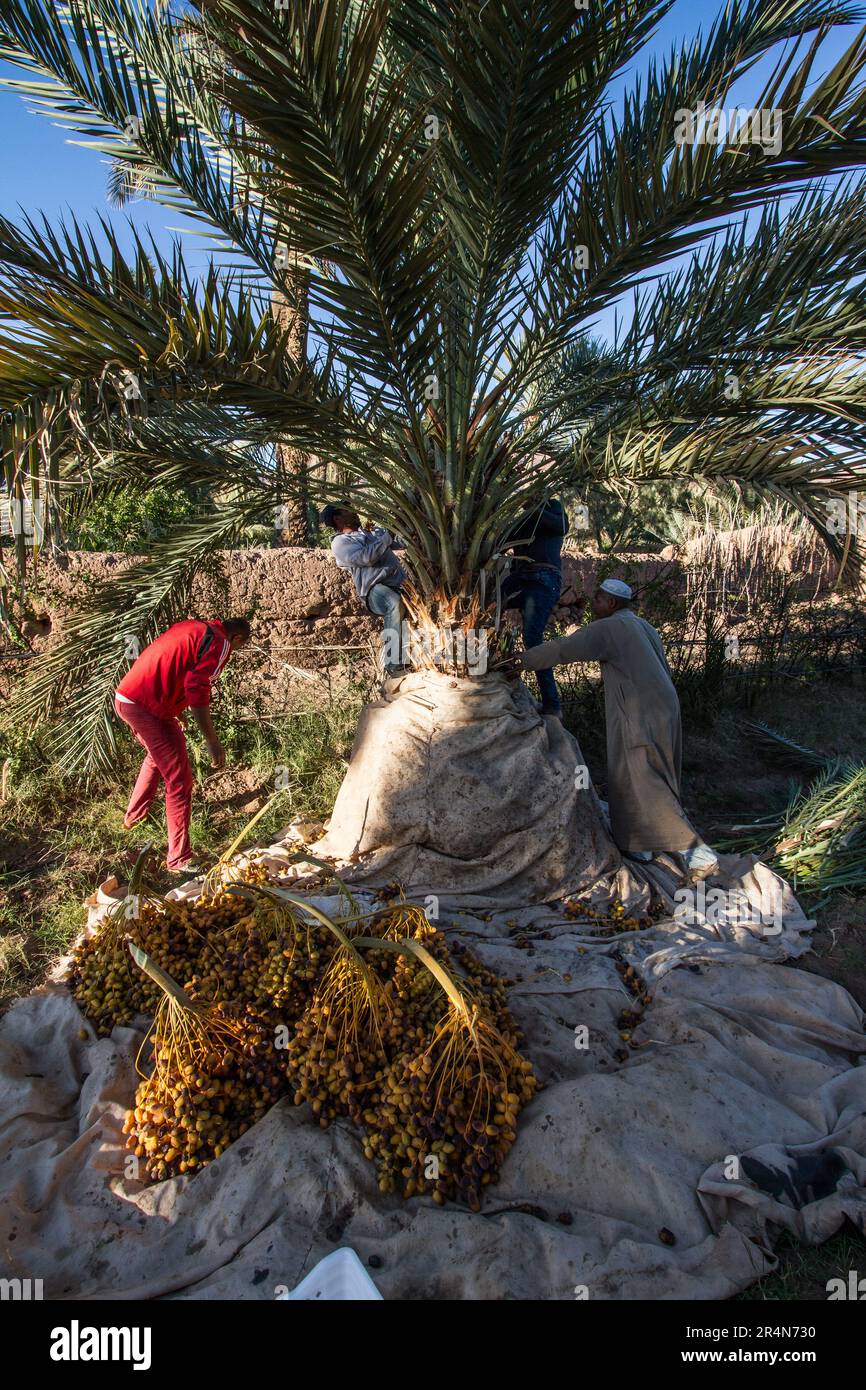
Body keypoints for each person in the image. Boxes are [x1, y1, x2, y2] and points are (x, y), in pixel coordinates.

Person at [518, 578, 718, 878]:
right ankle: (641, 845)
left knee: (645, 777)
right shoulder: (642, 626)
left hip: (640, 713)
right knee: (637, 773)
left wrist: (519, 661)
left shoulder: (610, 627)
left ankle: (697, 853)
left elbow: (563, 649)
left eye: (597, 599)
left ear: (610, 603)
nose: (592, 605)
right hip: (663, 708)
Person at [114, 616, 251, 874]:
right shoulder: (220, 643)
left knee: (159, 755)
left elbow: (171, 666)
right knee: (179, 780)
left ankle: (134, 817)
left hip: (129, 696)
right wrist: (212, 741)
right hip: (144, 706)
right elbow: (197, 689)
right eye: (238, 648)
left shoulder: (194, 627)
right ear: (238, 639)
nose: (233, 652)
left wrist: (175, 710)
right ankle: (179, 858)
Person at [321, 503, 406, 674]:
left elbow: (399, 543)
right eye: (347, 510)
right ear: (337, 519)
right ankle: (393, 665)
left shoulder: (373, 533)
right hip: (374, 591)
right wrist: (386, 537)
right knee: (394, 604)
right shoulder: (340, 542)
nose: (354, 510)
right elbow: (366, 558)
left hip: (400, 585)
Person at [503, 496, 569, 717]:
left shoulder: (552, 507)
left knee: (532, 638)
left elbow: (562, 526)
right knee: (486, 603)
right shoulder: (522, 519)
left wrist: (534, 505)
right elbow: (504, 539)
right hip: (520, 578)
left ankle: (552, 705)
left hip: (544, 578)